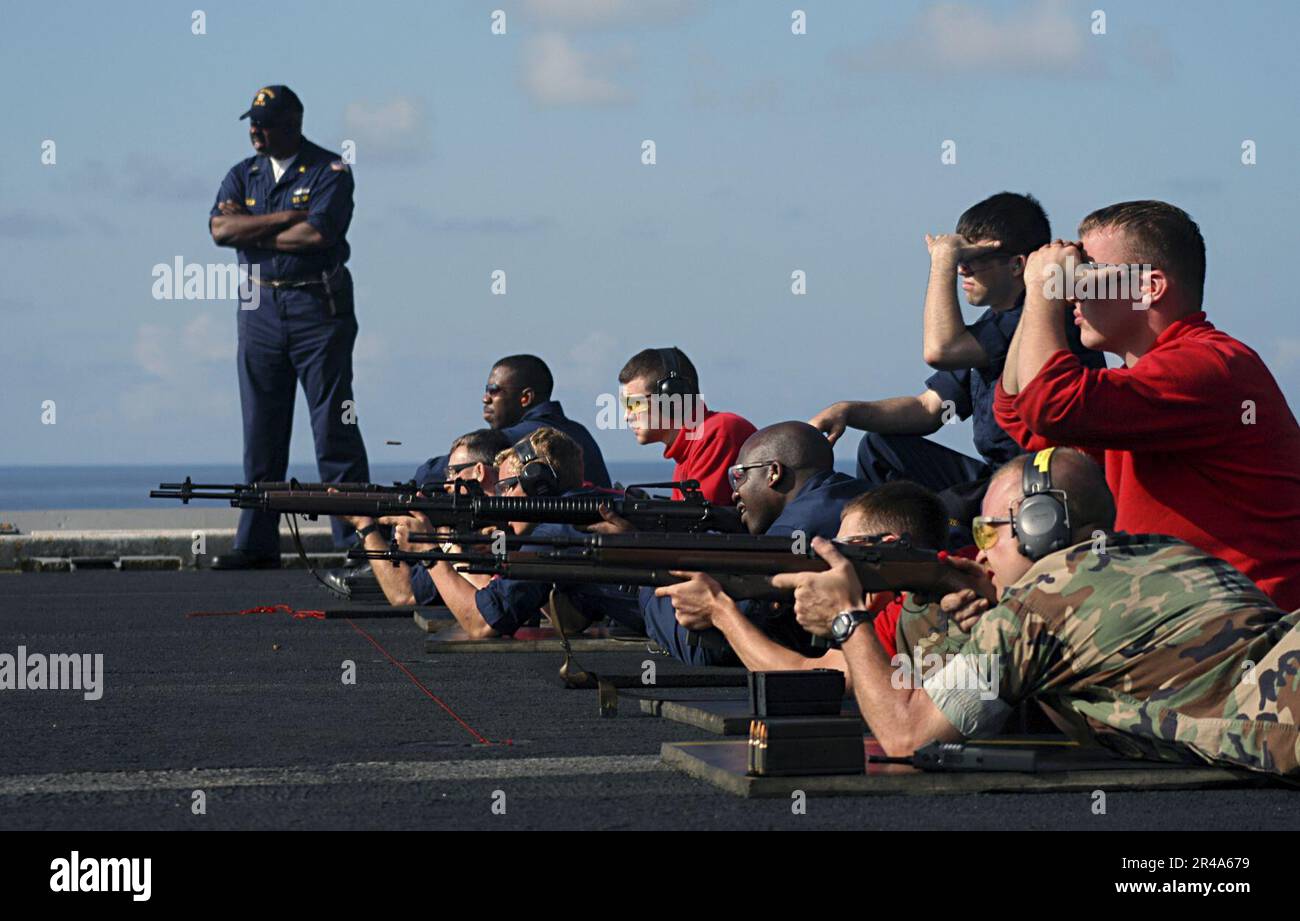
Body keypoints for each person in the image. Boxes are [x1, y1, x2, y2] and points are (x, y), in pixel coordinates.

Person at [778, 447, 1300, 778]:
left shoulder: (1035, 607)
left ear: (1038, 526)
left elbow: (907, 734)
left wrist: (849, 616)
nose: (979, 552)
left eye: (987, 531)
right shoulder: (1170, 552)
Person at [995, 200, 1300, 611]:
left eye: (1086, 276)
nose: (1072, 294)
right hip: (1191, 623)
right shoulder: (1140, 384)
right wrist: (1038, 291)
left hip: (1248, 635)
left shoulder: (1208, 366)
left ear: (1148, 288)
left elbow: (1048, 405)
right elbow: (1021, 413)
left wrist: (1043, 290)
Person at [808, 193, 1104, 541]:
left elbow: (940, 350)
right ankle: (873, 547)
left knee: (947, 510)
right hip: (997, 473)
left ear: (1016, 265)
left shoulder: (1039, 320)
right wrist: (848, 411)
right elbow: (928, 408)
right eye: (960, 257)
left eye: (973, 258)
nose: (963, 268)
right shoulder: (991, 328)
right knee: (880, 448)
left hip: (1041, 482)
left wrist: (943, 261)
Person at [208, 85, 369, 569]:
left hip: (316, 307)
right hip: (259, 308)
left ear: (293, 124)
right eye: (253, 122)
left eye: (266, 122)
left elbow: (317, 233)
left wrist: (253, 223)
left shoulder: (329, 171)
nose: (256, 130)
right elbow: (220, 230)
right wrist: (284, 217)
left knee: (332, 426)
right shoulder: (243, 174)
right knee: (261, 430)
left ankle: (358, 544)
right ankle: (256, 544)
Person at [654, 480, 986, 682]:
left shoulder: (916, 604)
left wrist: (719, 611)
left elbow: (805, 676)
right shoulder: (907, 603)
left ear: (887, 548)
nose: (833, 563)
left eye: (844, 549)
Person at [645, 422, 869, 666]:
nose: (734, 493)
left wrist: (649, 587)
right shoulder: (859, 497)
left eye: (739, 476)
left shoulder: (791, 537)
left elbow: (714, 650)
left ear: (773, 472)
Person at [423, 428, 641, 639]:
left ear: (538, 485)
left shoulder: (556, 532)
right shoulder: (588, 509)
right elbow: (572, 622)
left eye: (506, 487)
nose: (501, 499)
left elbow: (482, 623)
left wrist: (429, 551)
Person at [332, 429, 510, 606]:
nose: (447, 484)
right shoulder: (480, 527)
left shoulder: (507, 528)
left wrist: (365, 526)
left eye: (453, 472)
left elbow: (404, 595)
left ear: (479, 471)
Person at [415, 354, 610, 489]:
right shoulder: (579, 432)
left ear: (525, 398)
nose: (485, 398)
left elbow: (430, 474)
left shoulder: (523, 438)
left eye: (494, 390)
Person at [615, 347, 756, 504]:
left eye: (633, 404)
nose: (627, 416)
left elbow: (703, 525)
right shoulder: (687, 456)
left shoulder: (717, 434)